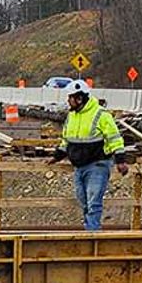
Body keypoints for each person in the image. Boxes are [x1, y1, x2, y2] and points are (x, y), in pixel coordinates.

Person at [52, 81, 126, 231]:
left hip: (97, 164)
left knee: (94, 201)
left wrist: (120, 161)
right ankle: (90, 229)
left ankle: (92, 233)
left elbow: (114, 138)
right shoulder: (72, 116)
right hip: (79, 166)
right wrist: (58, 155)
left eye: (70, 98)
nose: (68, 101)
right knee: (83, 200)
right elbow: (67, 139)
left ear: (79, 98)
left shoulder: (101, 114)